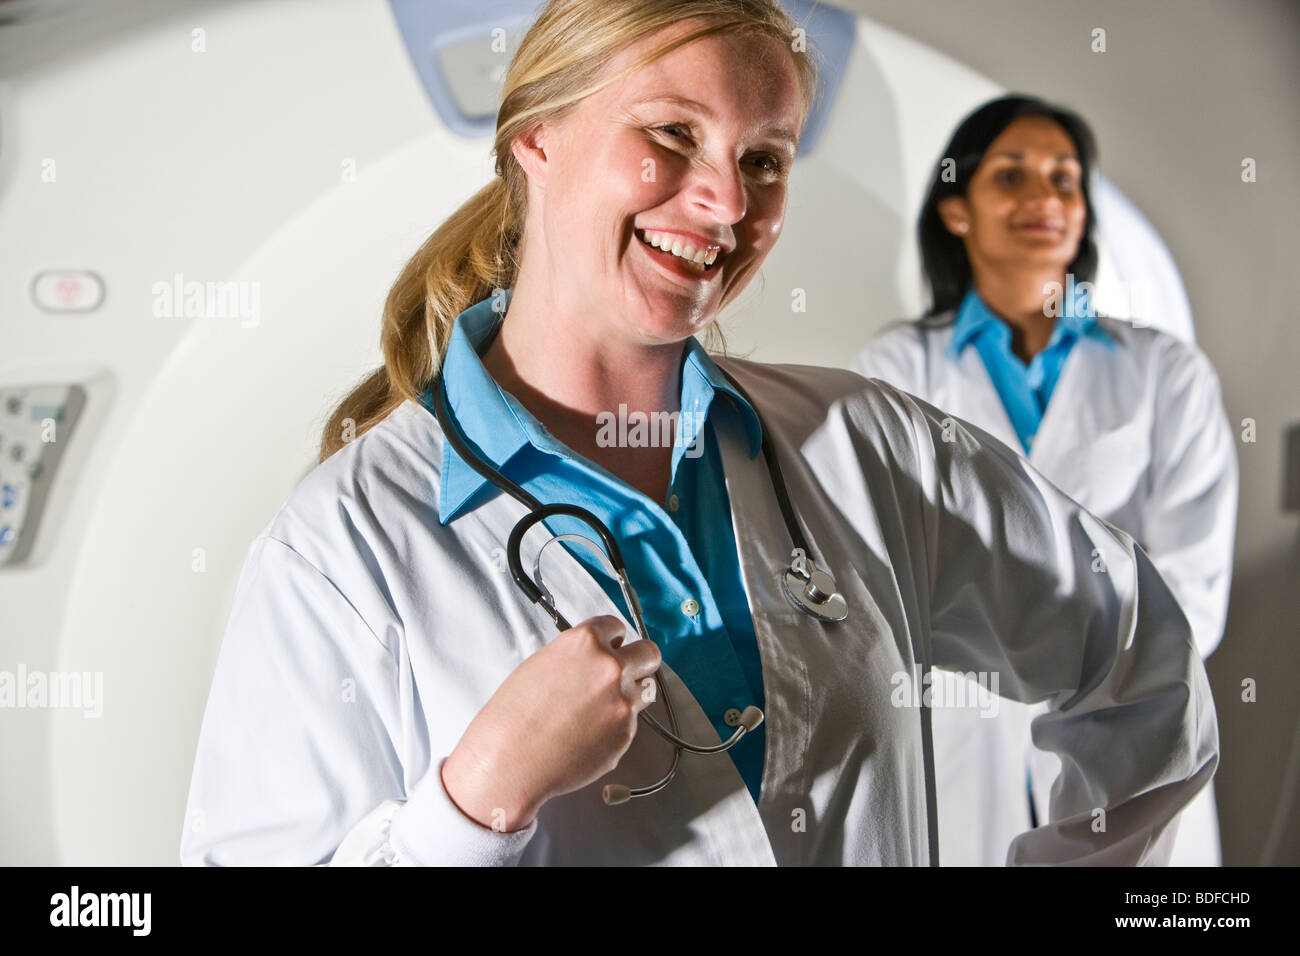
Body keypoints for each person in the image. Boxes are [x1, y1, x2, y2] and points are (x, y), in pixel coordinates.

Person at [180, 2, 1217, 866]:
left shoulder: (870, 443)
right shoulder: (340, 548)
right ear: (535, 137)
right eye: (671, 135)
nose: (726, 202)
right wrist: (475, 800)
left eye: (764, 159)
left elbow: (1139, 652)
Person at [853, 95, 1238, 866]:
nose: (1045, 199)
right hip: (962, 732)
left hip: (1137, 721)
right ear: (957, 211)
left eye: (1065, 180)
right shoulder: (894, 371)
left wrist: (1069, 656)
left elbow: (1192, 592)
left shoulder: (1166, 371)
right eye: (1013, 176)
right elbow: (884, 573)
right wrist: (1044, 650)